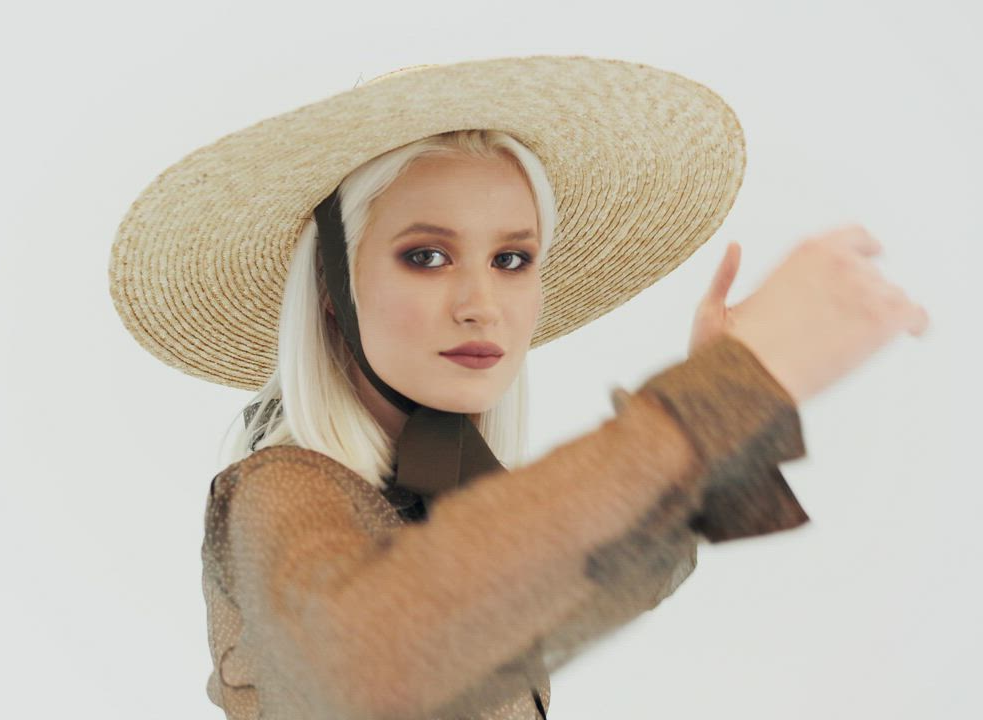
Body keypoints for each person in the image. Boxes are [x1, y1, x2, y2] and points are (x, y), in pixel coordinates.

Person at [108, 56, 930, 720]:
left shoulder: (447, 484)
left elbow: (614, 568)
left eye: (511, 259)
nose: (480, 303)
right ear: (333, 286)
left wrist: (731, 422)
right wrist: (720, 397)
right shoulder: (276, 491)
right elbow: (368, 665)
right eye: (426, 256)